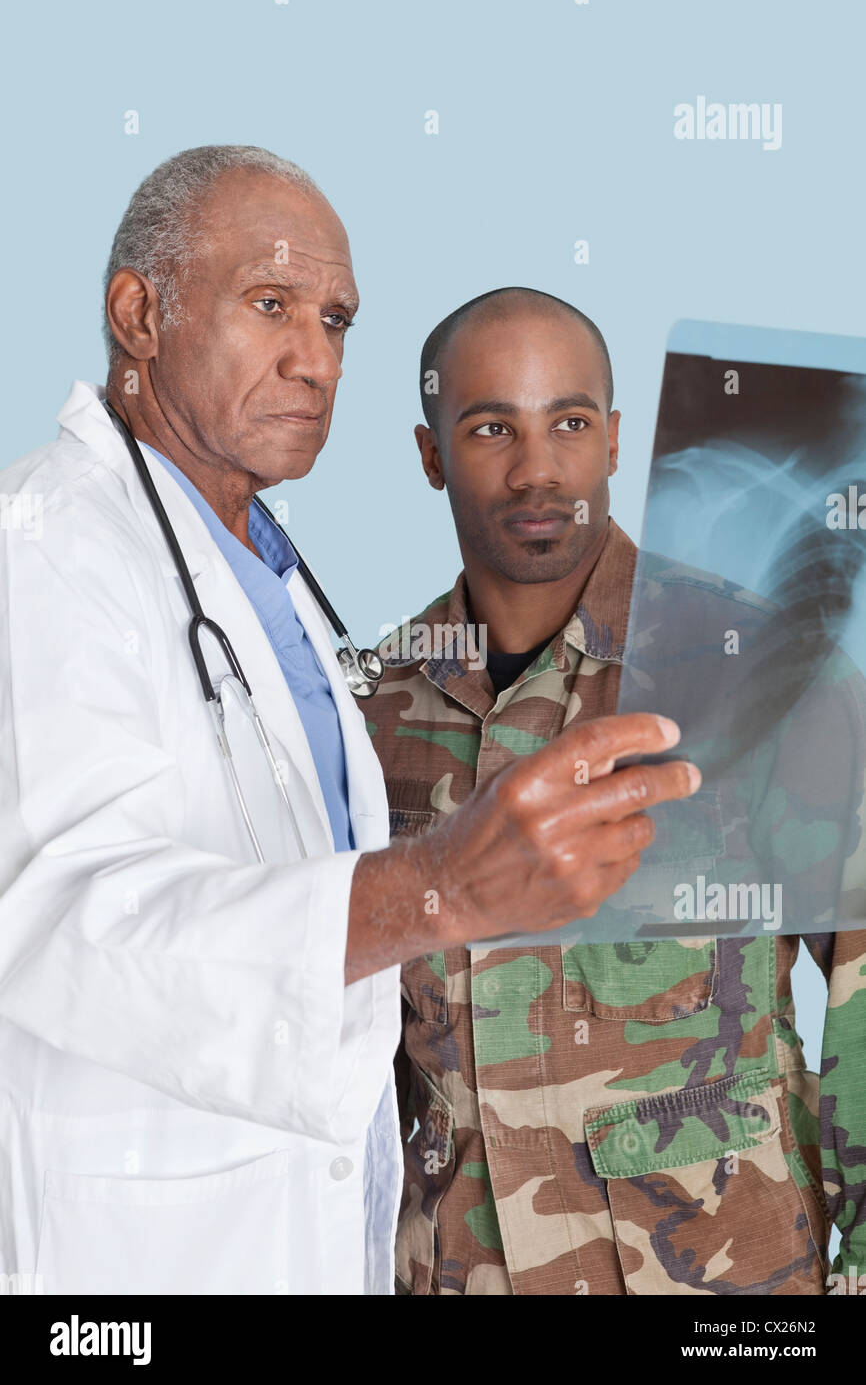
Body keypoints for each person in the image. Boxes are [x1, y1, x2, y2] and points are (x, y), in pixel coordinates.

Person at [0, 151, 698, 1296]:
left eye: (335, 321)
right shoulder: (43, 545)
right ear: (138, 313)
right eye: (269, 305)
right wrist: (440, 889)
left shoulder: (267, 586)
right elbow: (58, 919)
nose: (314, 359)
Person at [363, 286, 866, 1295]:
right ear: (429, 456)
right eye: (490, 426)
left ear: (611, 442)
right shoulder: (373, 706)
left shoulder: (752, 664)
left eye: (569, 422)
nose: (536, 467)